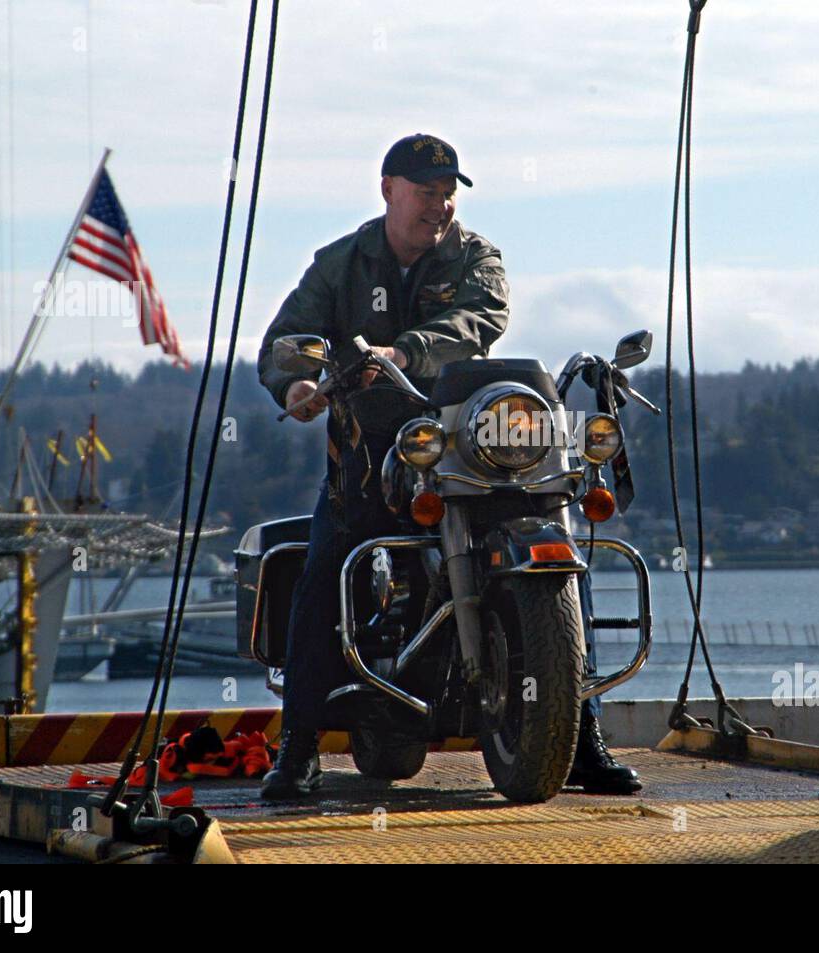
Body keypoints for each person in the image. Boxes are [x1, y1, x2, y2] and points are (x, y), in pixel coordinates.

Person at [256, 133, 640, 800]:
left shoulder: (475, 255)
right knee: (324, 567)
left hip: (470, 446)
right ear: (389, 191)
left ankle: (581, 736)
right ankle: (297, 750)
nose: (440, 205)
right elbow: (287, 341)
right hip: (372, 452)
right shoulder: (341, 264)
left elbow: (481, 317)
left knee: (562, 564)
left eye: (447, 193)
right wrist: (292, 382)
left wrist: (405, 351)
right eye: (426, 192)